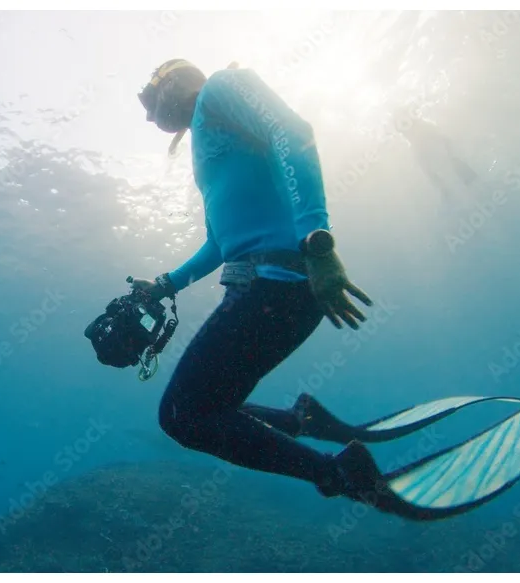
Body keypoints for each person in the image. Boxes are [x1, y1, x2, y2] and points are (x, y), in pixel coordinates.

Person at [130, 58, 390, 507]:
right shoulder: (204, 149)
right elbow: (218, 244)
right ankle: (302, 420)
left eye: (149, 100)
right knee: (200, 409)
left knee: (182, 415)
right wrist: (165, 286)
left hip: (278, 286)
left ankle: (339, 473)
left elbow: (293, 132)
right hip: (259, 289)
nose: (149, 116)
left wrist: (318, 245)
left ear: (175, 81)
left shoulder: (221, 89)